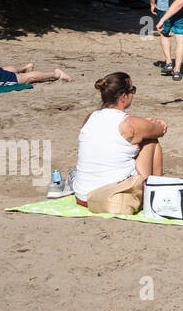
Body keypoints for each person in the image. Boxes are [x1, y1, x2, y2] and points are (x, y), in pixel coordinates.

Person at [71, 73, 166, 213]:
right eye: (132, 91)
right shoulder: (130, 123)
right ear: (123, 97)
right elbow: (160, 130)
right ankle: (157, 192)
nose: (133, 94)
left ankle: (156, 189)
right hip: (113, 198)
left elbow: (109, 135)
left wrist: (144, 124)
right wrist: (152, 124)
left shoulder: (89, 118)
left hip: (82, 196)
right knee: (151, 141)